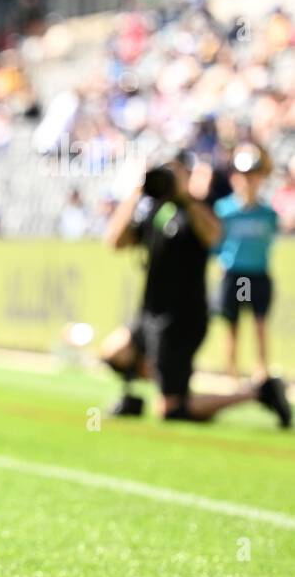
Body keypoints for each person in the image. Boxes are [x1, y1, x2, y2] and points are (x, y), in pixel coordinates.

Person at [102, 151, 289, 427]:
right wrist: (136, 192)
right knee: (114, 352)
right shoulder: (155, 210)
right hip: (149, 314)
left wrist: (185, 198)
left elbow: (215, 235)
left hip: (181, 320)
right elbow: (114, 241)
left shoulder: (199, 207)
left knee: (172, 410)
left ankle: (258, 392)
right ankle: (149, 388)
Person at [213, 143, 280, 382]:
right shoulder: (225, 210)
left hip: (258, 274)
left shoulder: (269, 213)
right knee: (233, 324)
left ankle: (262, 370)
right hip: (236, 275)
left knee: (260, 323)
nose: (248, 180)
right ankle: (232, 372)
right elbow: (216, 243)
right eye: (244, 174)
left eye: (253, 174)